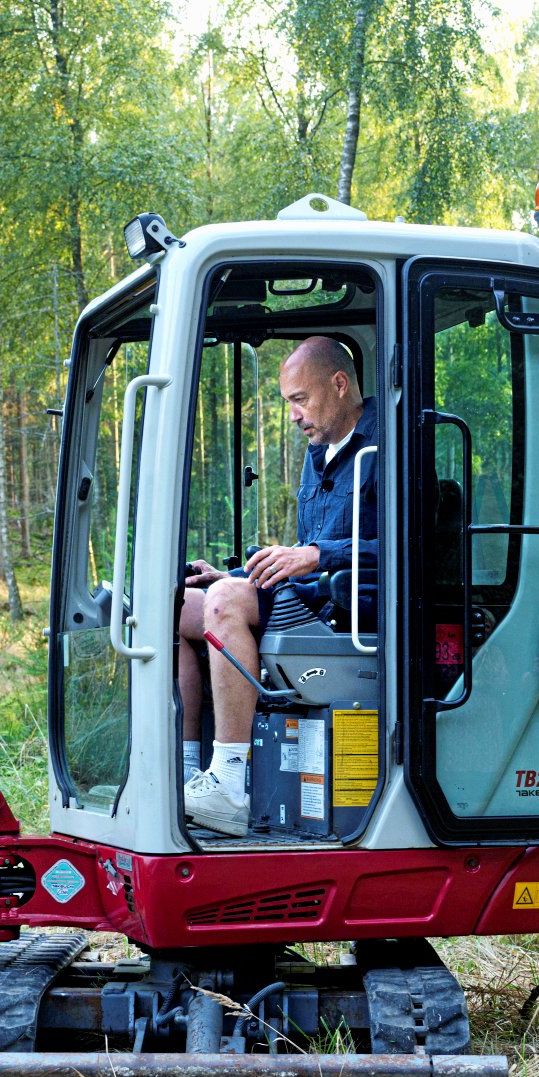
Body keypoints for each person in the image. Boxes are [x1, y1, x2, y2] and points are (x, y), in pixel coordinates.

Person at [178, 336, 380, 836]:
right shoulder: (320, 453)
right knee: (178, 605)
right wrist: (244, 577)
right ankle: (185, 772)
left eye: (300, 399)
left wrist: (316, 555)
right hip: (313, 597)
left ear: (338, 384)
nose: (293, 414)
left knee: (223, 604)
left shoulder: (390, 446)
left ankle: (228, 783)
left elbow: (410, 549)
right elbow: (309, 548)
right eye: (289, 402)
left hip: (356, 613)